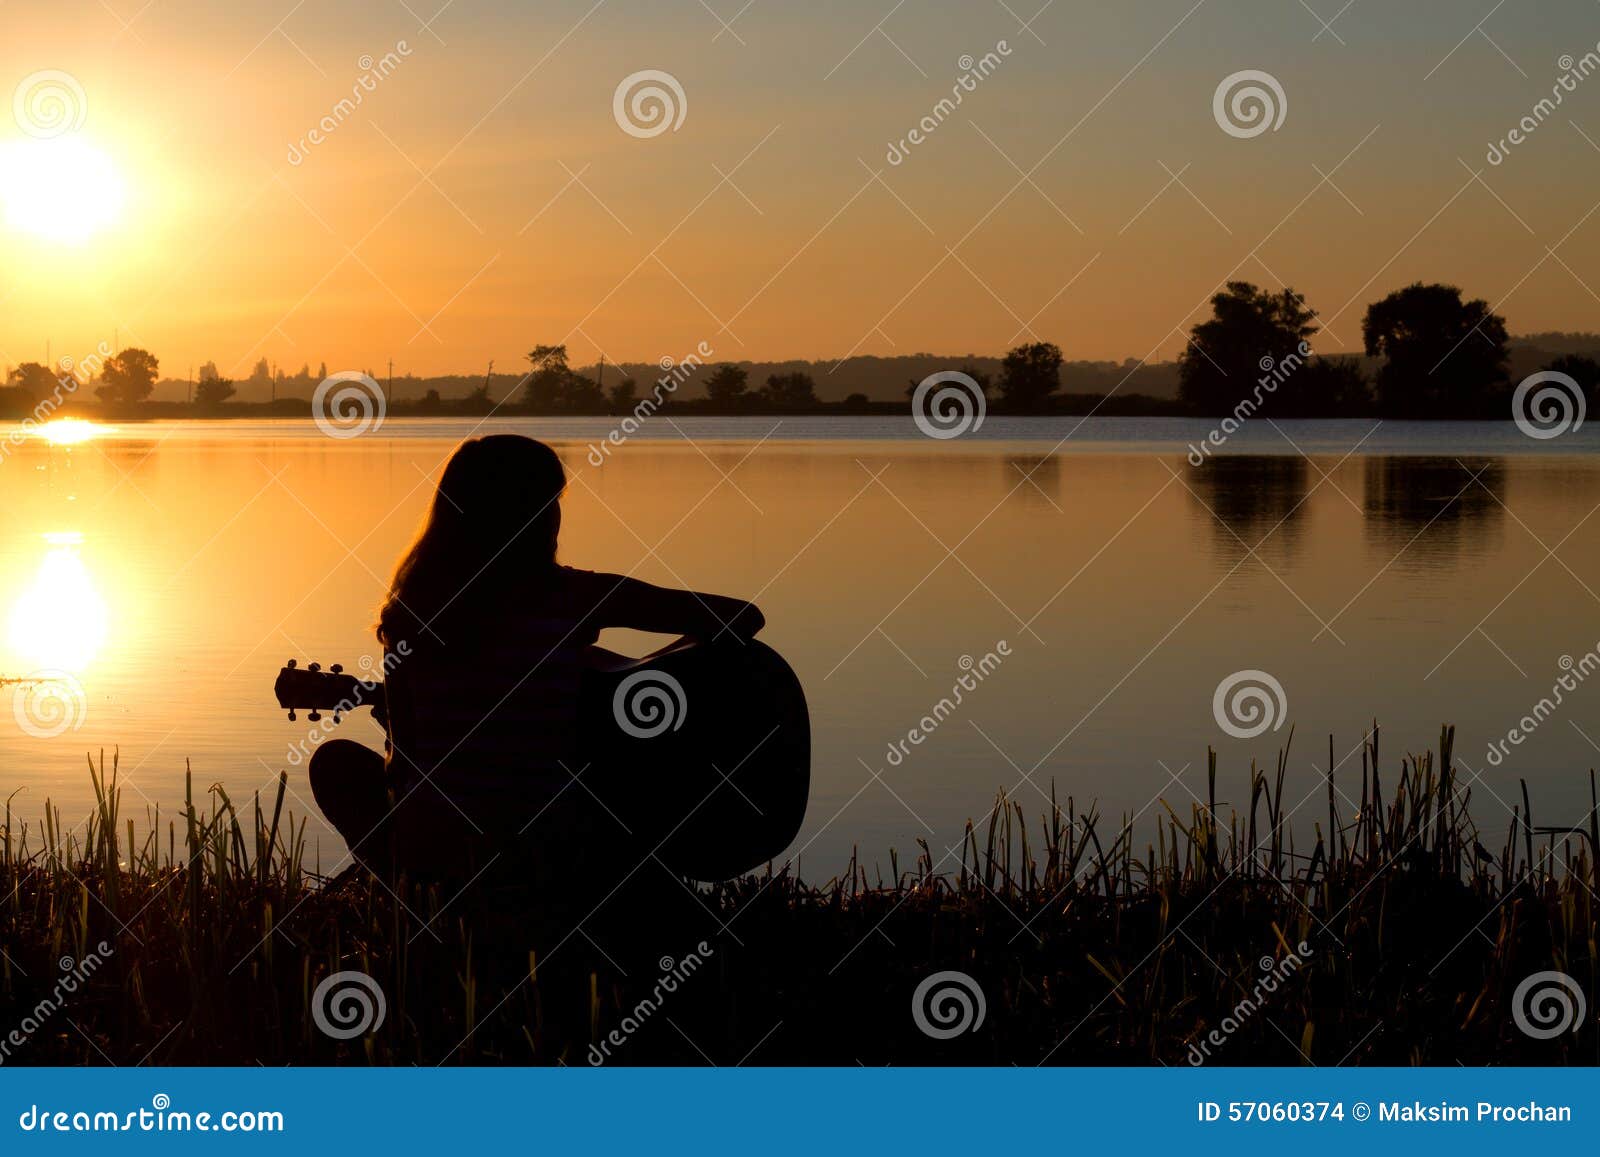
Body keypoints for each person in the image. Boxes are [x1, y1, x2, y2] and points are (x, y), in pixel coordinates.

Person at [308, 434, 769, 886]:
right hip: (556, 852)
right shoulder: (579, 596)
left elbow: (405, 767)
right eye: (551, 501)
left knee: (335, 763)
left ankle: (413, 892)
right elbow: (743, 617)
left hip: (438, 852)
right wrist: (647, 668)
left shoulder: (411, 614)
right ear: (538, 516)